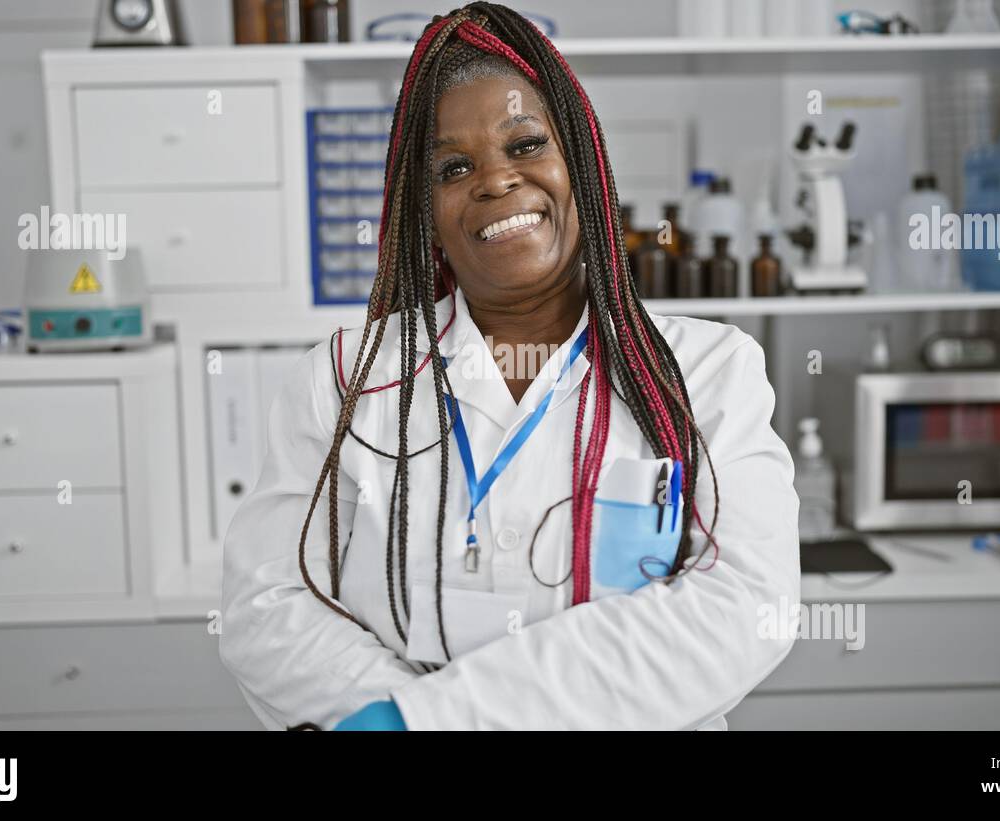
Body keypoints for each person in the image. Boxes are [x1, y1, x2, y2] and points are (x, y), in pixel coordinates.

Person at [219, 2, 800, 731]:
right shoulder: (343, 378)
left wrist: (425, 719)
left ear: (580, 164)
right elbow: (267, 602)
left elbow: (746, 606)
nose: (495, 181)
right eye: (453, 167)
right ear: (422, 209)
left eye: (525, 144)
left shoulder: (709, 371)